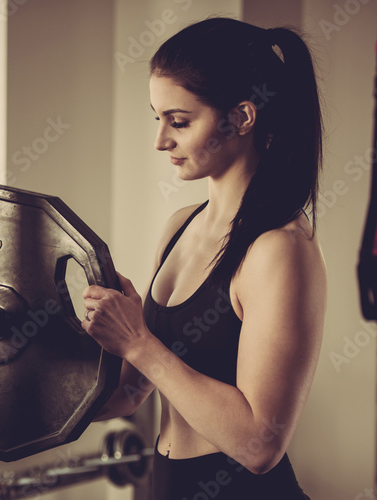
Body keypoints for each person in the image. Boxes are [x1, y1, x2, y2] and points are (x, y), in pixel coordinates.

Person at [80, 17, 326, 500]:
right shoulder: (181, 225)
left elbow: (260, 447)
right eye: (158, 117)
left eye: (181, 121)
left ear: (241, 118)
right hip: (168, 482)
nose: (160, 141)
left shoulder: (279, 249)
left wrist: (139, 342)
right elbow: (129, 394)